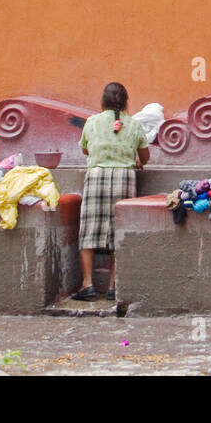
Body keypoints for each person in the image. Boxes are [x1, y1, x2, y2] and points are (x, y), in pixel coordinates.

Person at [74, 82, 149, 301]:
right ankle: (113, 286)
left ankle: (87, 284)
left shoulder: (91, 122)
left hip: (96, 176)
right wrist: (133, 159)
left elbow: (85, 149)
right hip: (124, 178)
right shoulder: (134, 125)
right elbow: (145, 157)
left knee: (88, 231)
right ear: (126, 102)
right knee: (119, 231)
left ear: (102, 102)